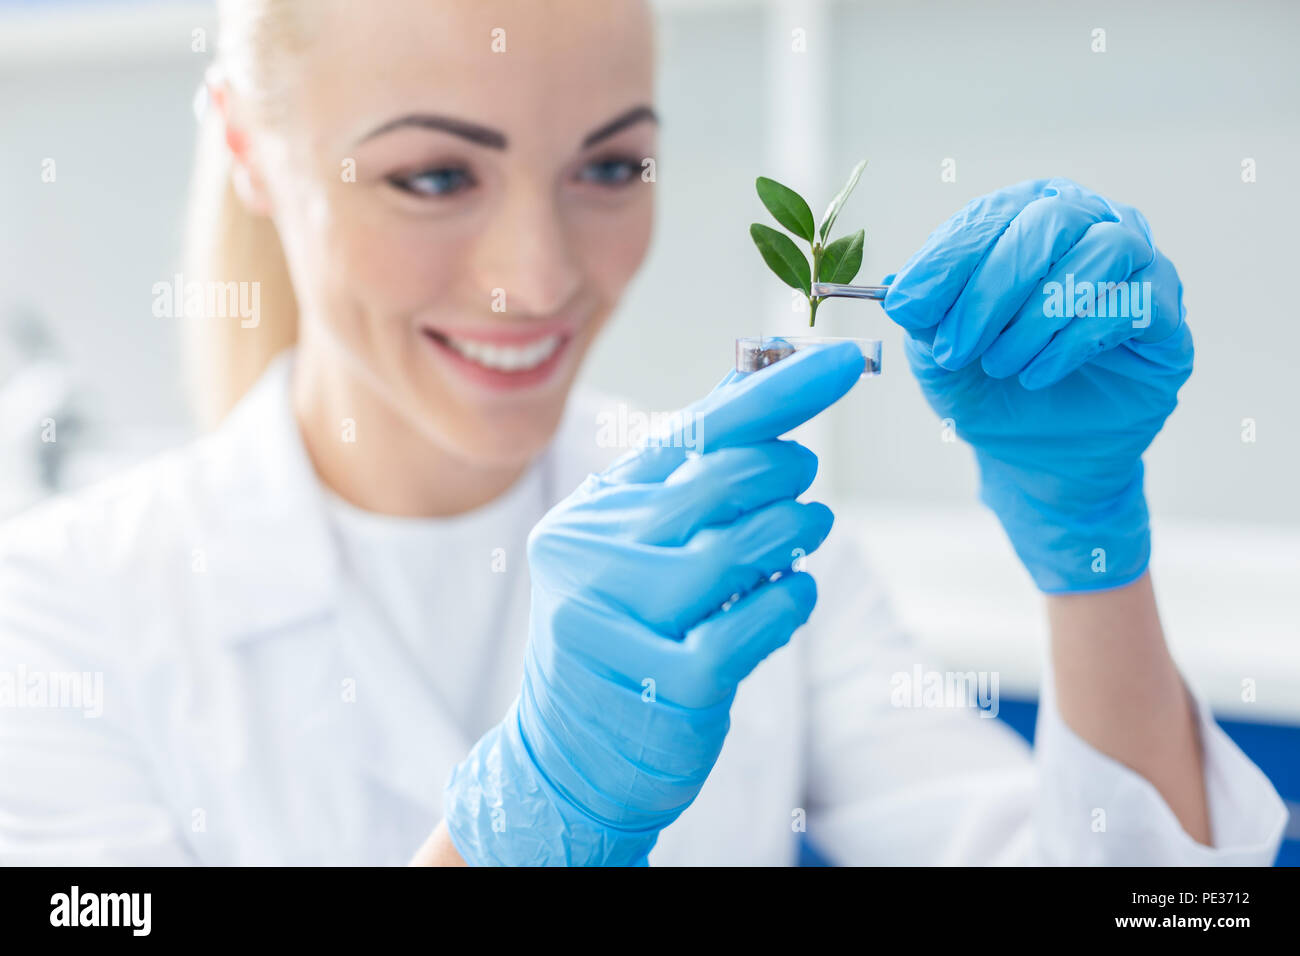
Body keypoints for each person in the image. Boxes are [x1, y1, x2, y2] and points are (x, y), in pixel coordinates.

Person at [0, 0, 1285, 867]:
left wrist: (1091, 546)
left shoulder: (758, 531)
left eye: (607, 168)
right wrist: (521, 832)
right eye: (434, 177)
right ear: (245, 147)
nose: (538, 274)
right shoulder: (55, 610)